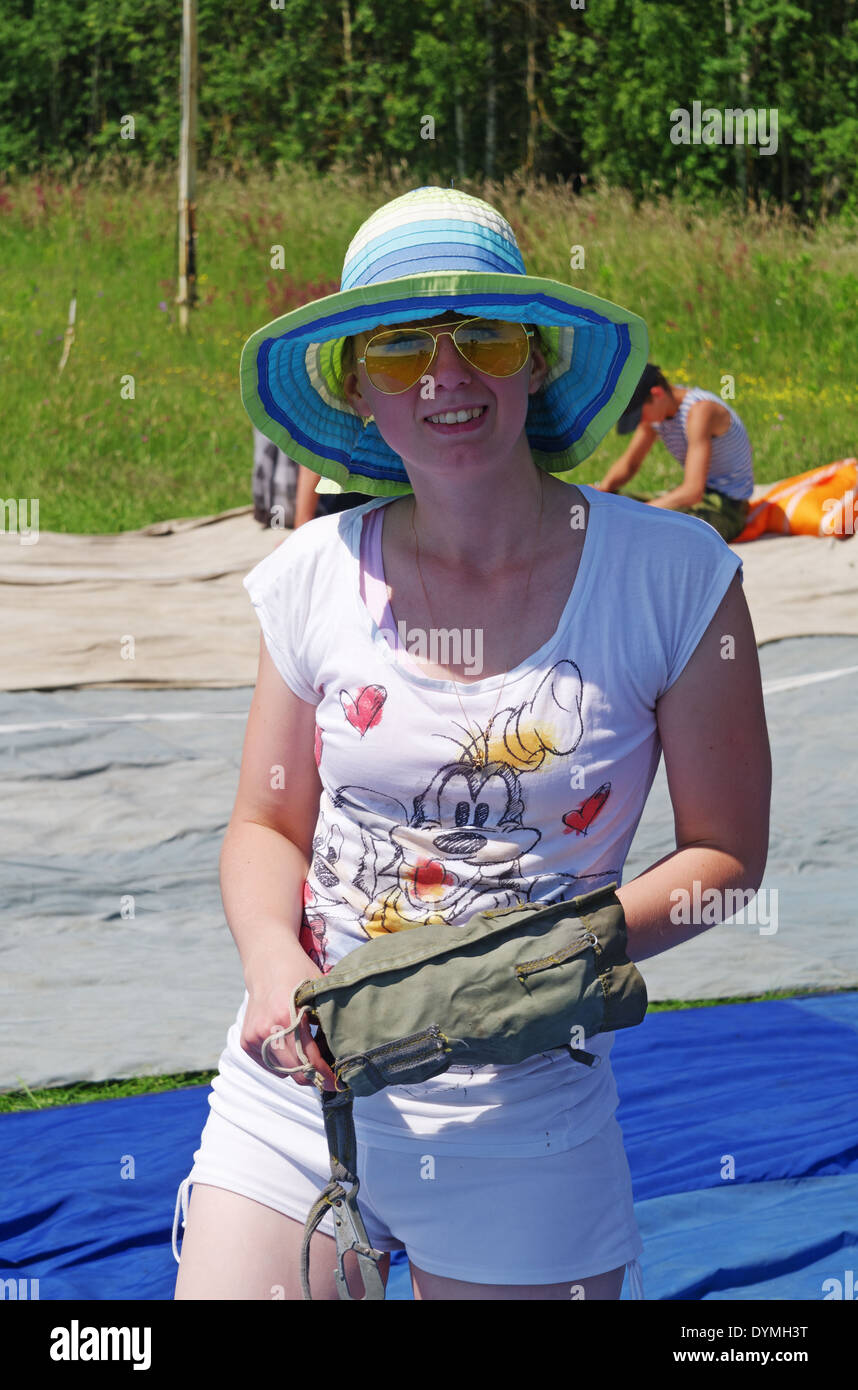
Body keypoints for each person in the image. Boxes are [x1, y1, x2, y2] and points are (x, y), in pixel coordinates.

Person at [173, 187, 771, 1301]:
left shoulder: (675, 579)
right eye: (400, 349)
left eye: (483, 339)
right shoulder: (313, 573)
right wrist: (271, 965)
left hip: (525, 1121)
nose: (446, 377)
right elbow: (265, 820)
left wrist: (543, 965)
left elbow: (726, 855)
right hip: (301, 1098)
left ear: (536, 362)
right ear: (356, 383)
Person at [596, 363, 754, 542]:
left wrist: (642, 515)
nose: (642, 421)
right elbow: (630, 464)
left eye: (640, 415)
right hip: (697, 501)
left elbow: (693, 491)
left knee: (658, 530)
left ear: (657, 394)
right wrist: (603, 490)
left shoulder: (700, 412)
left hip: (726, 507)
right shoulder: (656, 416)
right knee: (608, 506)